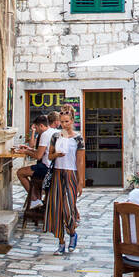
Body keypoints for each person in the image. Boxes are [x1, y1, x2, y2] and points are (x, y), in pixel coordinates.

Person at [43, 108, 85, 254]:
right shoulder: (55, 136)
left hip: (71, 174)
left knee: (69, 208)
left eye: (67, 122)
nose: (64, 125)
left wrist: (80, 182)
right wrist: (56, 154)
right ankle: (61, 242)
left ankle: (72, 233)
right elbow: (49, 156)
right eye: (61, 122)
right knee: (57, 208)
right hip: (57, 174)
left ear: (72, 121)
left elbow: (80, 161)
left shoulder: (78, 138)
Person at [16, 116, 50, 205]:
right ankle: (36, 198)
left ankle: (35, 200)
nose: (37, 130)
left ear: (41, 126)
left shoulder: (45, 134)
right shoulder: (52, 132)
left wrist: (26, 151)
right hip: (51, 167)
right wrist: (29, 150)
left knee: (20, 172)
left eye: (37, 128)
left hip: (46, 168)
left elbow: (38, 156)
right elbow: (41, 152)